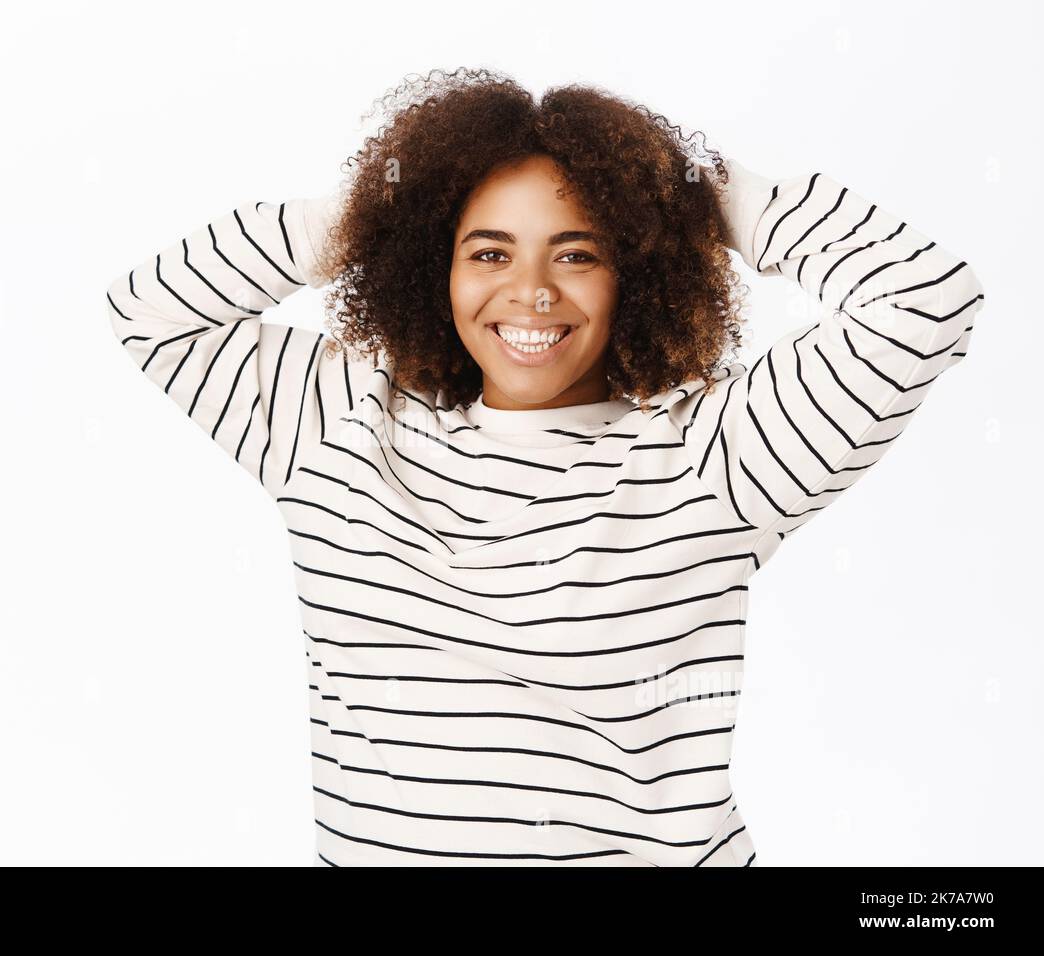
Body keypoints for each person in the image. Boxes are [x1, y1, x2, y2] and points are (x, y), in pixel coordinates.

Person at [104, 68, 984, 866]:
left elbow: (927, 303)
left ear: (635, 273)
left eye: (578, 252)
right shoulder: (335, 427)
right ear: (433, 269)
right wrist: (374, 211)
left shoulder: (717, 456)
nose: (531, 290)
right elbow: (148, 312)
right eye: (489, 251)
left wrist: (698, 190)